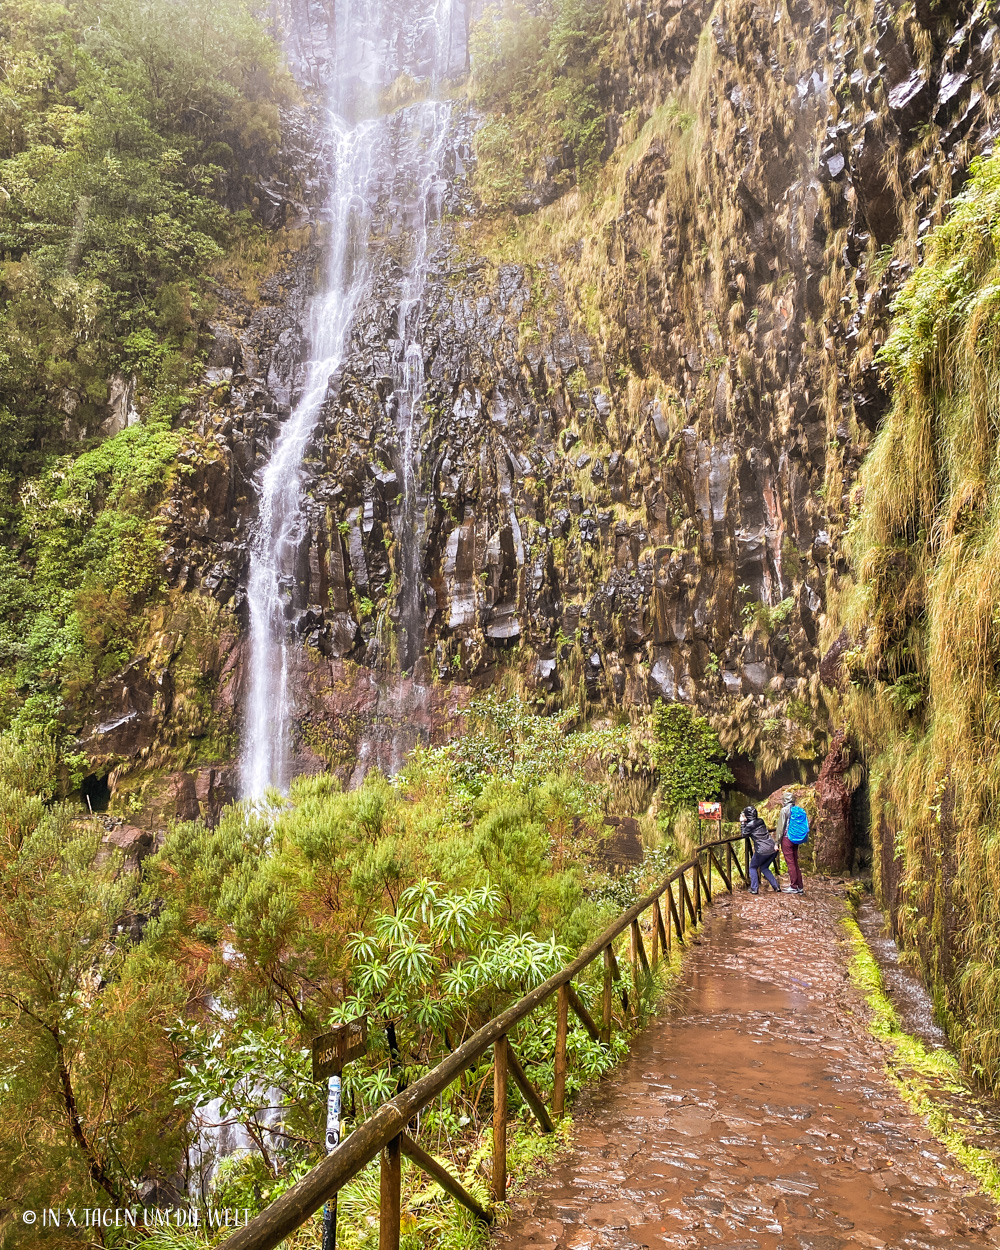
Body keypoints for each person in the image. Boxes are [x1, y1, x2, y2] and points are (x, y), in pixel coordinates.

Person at [740, 804, 780, 894]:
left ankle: (754, 889)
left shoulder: (749, 825)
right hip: (773, 848)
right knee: (764, 867)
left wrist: (742, 822)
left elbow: (744, 834)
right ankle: (776, 886)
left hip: (762, 851)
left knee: (753, 867)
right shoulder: (761, 821)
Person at [775, 790, 807, 894]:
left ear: (784, 800)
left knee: (790, 862)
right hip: (795, 838)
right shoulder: (796, 809)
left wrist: (777, 842)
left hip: (787, 838)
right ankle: (800, 886)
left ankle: (793, 886)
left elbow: (781, 827)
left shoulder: (784, 810)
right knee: (795, 862)